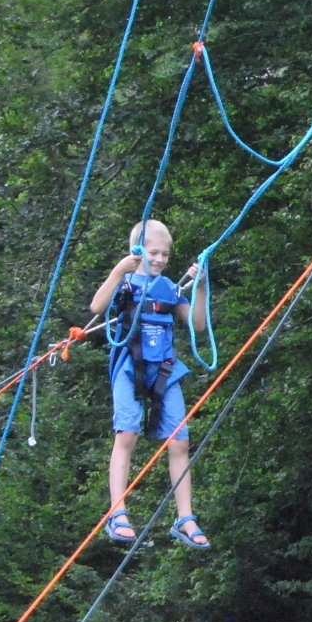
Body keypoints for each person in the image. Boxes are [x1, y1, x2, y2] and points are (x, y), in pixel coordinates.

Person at [89, 218, 211, 549]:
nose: (158, 260)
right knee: (127, 433)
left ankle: (185, 518)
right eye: (153, 253)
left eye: (165, 255)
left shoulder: (170, 288)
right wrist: (118, 271)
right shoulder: (126, 282)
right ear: (139, 251)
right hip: (129, 367)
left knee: (179, 442)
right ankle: (118, 511)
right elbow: (96, 307)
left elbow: (197, 325)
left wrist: (199, 286)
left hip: (165, 370)